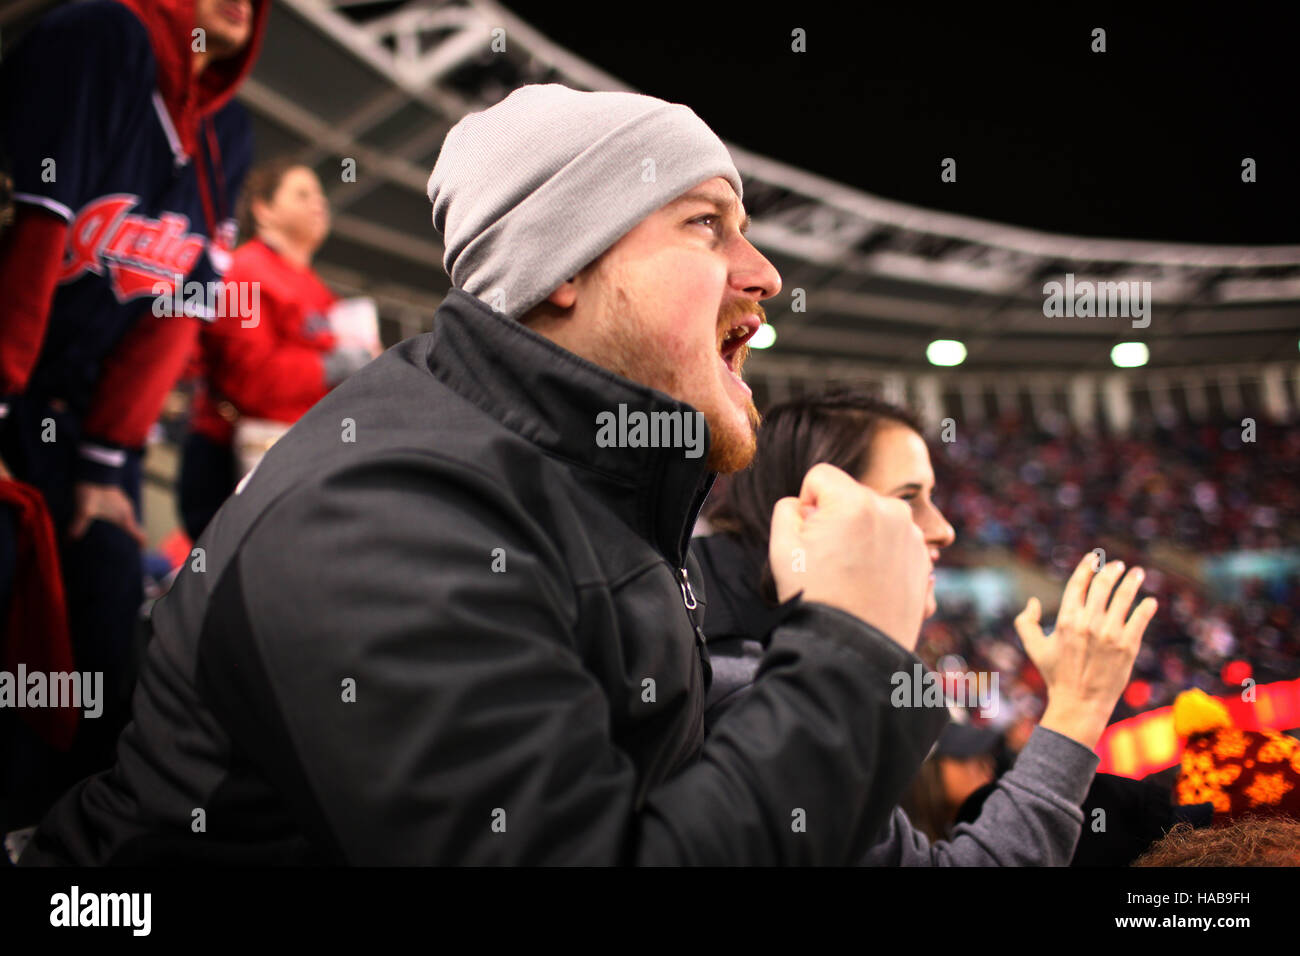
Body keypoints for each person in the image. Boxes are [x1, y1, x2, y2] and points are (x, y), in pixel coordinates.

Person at [20, 84, 948, 866]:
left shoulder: (580, 479)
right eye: (706, 224)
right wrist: (847, 657)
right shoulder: (385, 516)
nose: (765, 273)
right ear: (560, 269)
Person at [0, 0, 268, 827]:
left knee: (109, 591)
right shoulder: (99, 37)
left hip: (79, 428)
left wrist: (106, 463)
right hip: (12, 394)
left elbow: (177, 311)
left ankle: (69, 846)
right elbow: (31, 237)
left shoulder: (230, 131)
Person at [696, 390, 1160, 865]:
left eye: (931, 498)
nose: (943, 528)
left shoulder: (740, 648)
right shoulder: (742, 689)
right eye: (909, 498)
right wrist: (1077, 709)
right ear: (814, 512)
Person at [179, 158, 372, 541]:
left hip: (295, 463)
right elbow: (252, 380)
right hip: (232, 462)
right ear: (263, 210)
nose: (319, 203)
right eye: (302, 194)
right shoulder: (245, 271)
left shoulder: (320, 291)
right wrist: (335, 365)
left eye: (320, 195)